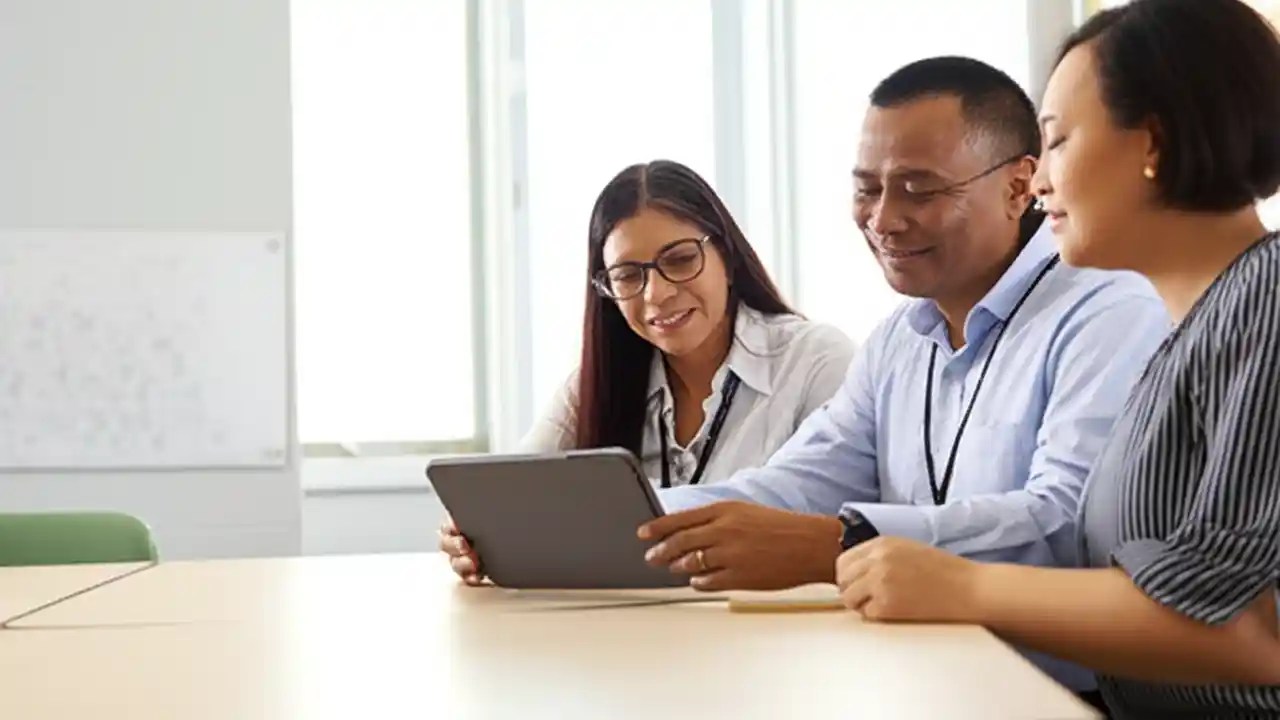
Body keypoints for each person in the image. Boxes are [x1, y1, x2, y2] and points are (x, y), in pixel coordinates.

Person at [637, 57, 1170, 693]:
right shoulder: (899, 339)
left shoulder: (1108, 307)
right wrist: (590, 529)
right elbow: (790, 487)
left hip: (1060, 699)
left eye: (919, 189)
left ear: (1018, 185)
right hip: (923, 683)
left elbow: (1066, 525)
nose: (884, 219)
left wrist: (844, 544)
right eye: (867, 188)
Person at [834, 1, 1280, 716]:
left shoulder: (1265, 295)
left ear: (1152, 143)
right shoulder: (1192, 328)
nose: (1038, 183)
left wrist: (958, 585)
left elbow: (1246, 624)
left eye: (1059, 142)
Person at [440, 159, 855, 584]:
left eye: (679, 260)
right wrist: (473, 535)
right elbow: (506, 492)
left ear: (726, 259)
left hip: (772, 632)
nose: (657, 294)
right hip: (633, 632)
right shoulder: (599, 381)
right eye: (628, 276)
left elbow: (833, 521)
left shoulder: (815, 360)